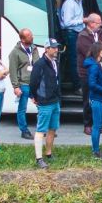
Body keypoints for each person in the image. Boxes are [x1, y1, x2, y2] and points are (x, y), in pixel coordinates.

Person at [29, 39, 63, 167]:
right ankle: (39, 158)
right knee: (41, 129)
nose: (56, 50)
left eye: (57, 47)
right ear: (46, 49)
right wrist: (34, 96)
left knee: (52, 128)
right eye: (53, 48)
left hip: (54, 100)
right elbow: (33, 82)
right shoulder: (40, 64)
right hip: (45, 101)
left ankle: (48, 153)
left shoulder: (55, 62)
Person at [75, 14, 102, 135]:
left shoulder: (101, 33)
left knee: (101, 98)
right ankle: (87, 124)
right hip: (86, 73)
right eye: (99, 23)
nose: (101, 25)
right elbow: (90, 52)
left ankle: (100, 123)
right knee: (88, 99)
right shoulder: (82, 36)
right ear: (91, 23)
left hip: (101, 70)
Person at [7, 28, 37, 140]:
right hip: (23, 83)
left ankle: (42, 129)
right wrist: (16, 86)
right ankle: (24, 131)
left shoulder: (34, 48)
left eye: (31, 34)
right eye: (29, 36)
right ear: (23, 39)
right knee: (22, 108)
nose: (32, 37)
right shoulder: (15, 52)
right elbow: (13, 70)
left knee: (42, 106)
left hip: (34, 83)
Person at [84, 36, 102, 156]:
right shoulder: (95, 66)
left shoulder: (98, 63)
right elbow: (92, 84)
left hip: (100, 98)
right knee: (97, 126)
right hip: (98, 99)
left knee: (98, 125)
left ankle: (96, 149)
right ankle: (95, 151)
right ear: (98, 51)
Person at [59, 0, 87, 83]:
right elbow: (67, 23)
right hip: (71, 33)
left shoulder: (79, 1)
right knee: (74, 59)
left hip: (79, 32)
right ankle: (76, 84)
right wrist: (83, 20)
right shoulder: (69, 4)